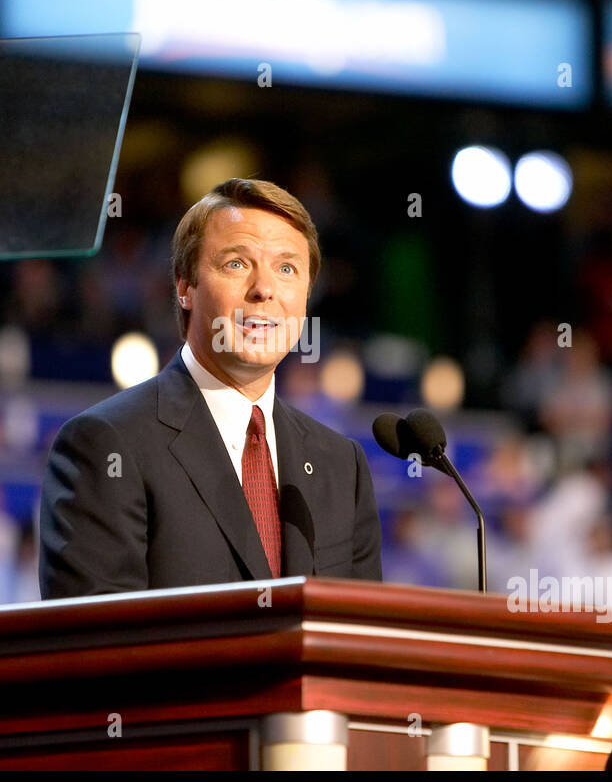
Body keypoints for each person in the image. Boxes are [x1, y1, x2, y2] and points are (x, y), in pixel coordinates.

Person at [40, 178, 382, 597]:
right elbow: (99, 648)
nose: (264, 289)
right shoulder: (106, 444)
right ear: (185, 287)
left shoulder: (341, 466)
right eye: (236, 263)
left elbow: (357, 639)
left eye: (287, 268)